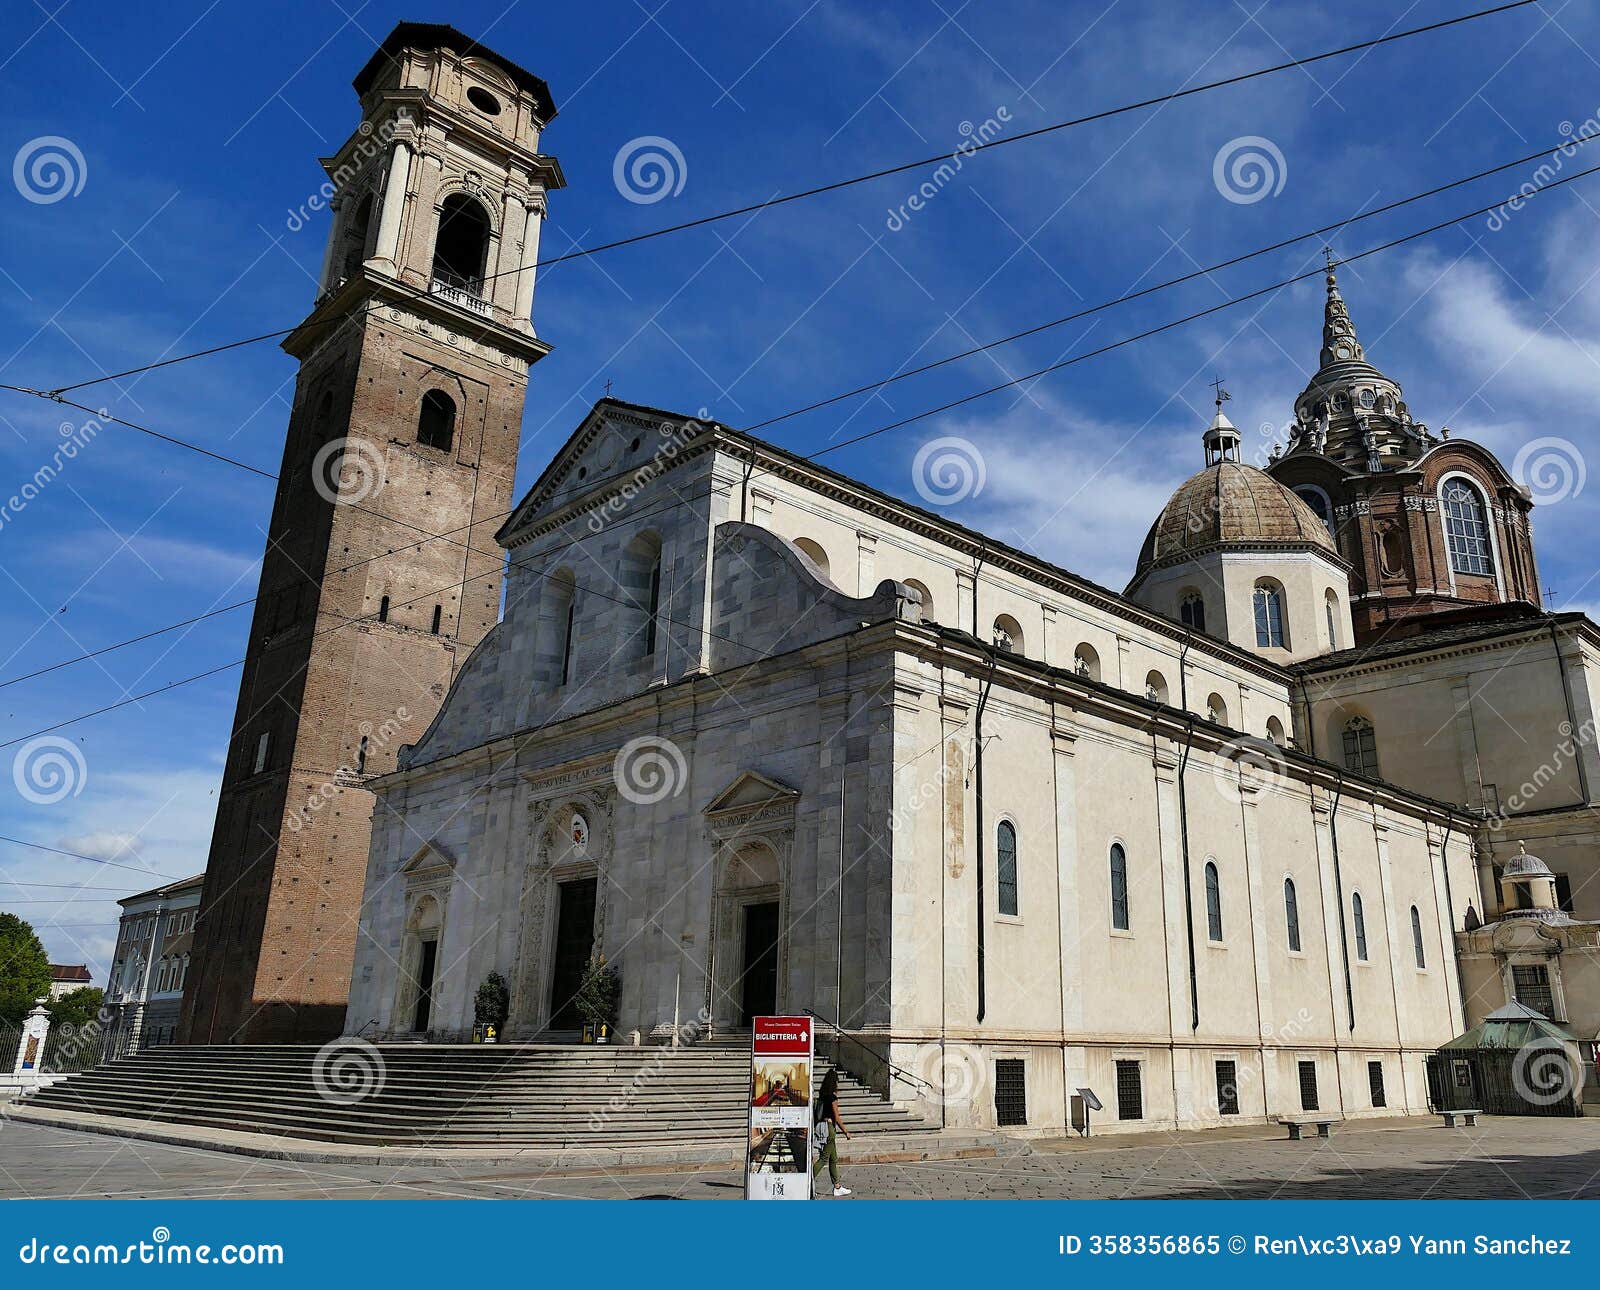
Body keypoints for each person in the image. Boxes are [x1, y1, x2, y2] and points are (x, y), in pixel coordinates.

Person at [812, 1069, 851, 1197]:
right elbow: (837, 1117)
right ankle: (806, 1181)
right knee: (824, 1158)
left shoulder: (822, 1095)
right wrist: (846, 1131)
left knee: (833, 1159)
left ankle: (837, 1186)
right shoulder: (832, 1097)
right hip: (829, 1129)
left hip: (821, 1127)